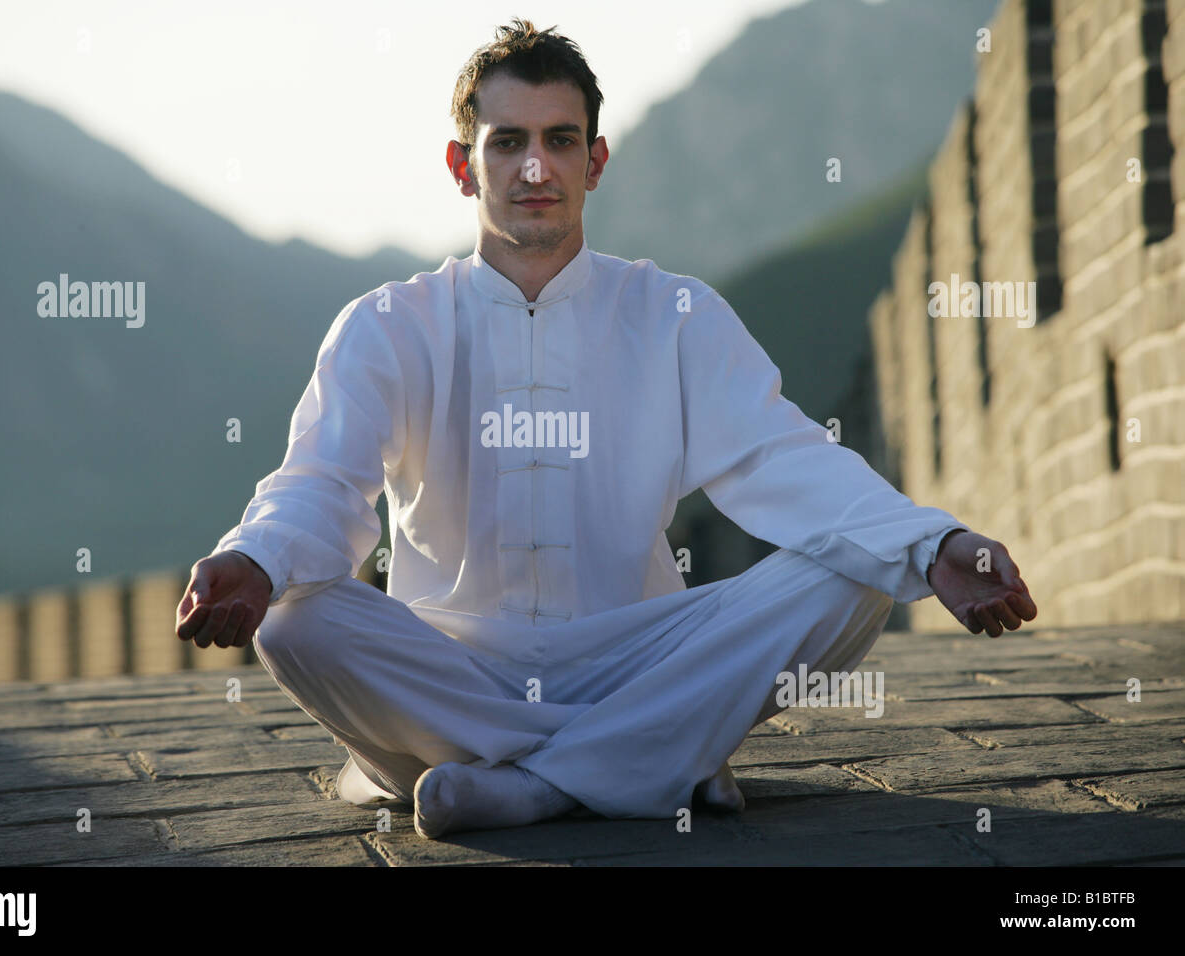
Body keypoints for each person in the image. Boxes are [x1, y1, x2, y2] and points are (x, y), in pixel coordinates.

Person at [174, 19, 1038, 840]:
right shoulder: (391, 324)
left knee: (855, 580)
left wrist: (932, 543)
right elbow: (324, 483)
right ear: (462, 166)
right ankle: (653, 759)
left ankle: (528, 786)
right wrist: (258, 558)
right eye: (506, 142)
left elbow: (781, 457)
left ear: (596, 160)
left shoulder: (673, 312)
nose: (535, 168)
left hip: (639, 654)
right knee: (293, 623)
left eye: (559, 139)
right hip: (457, 660)